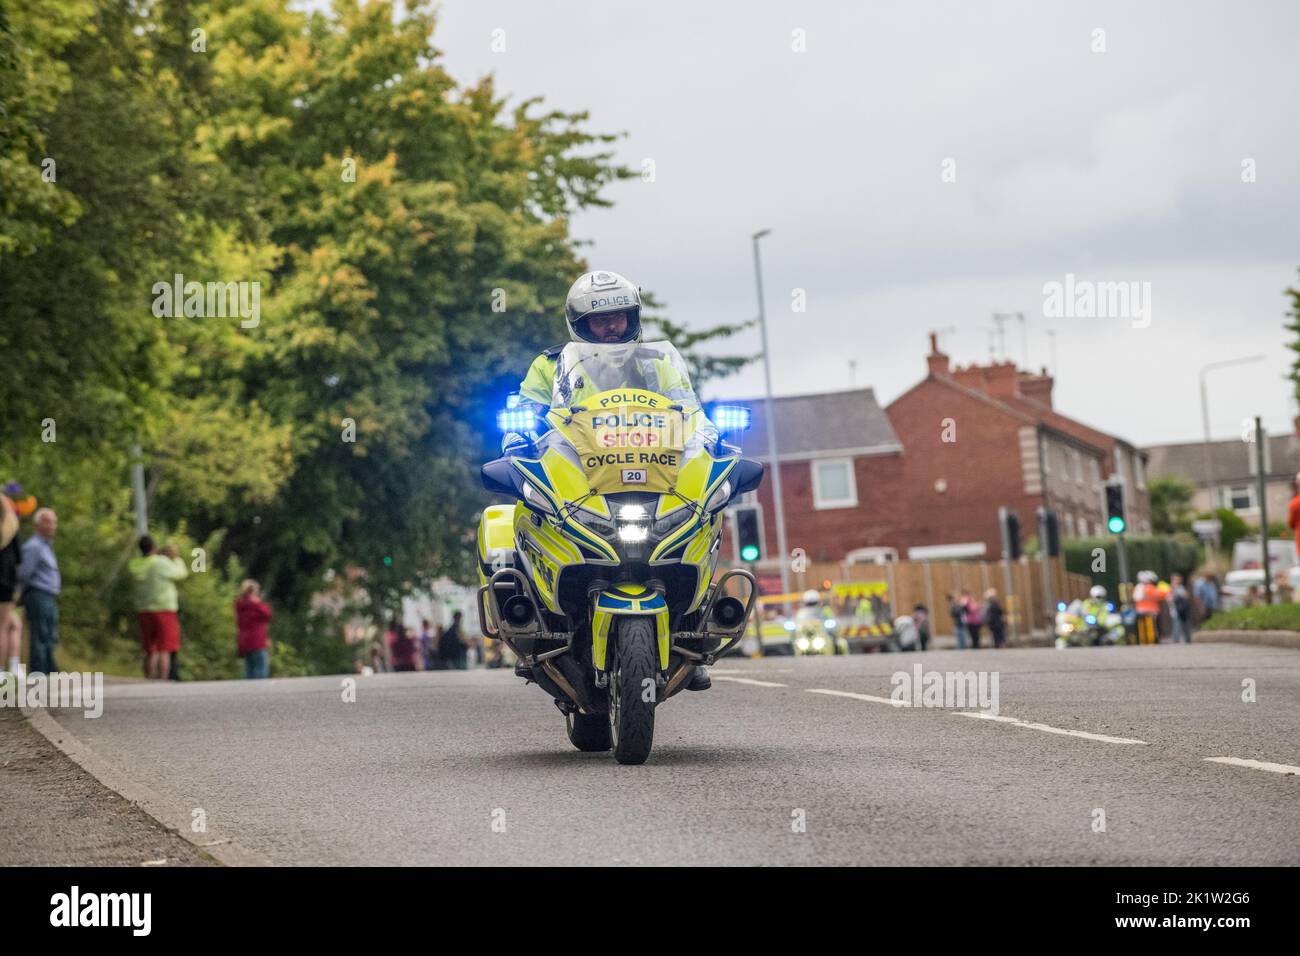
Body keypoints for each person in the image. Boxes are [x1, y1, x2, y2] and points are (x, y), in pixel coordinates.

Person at [508, 270, 711, 691]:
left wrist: (708, 438)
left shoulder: (658, 365)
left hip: (655, 478)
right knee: (516, 516)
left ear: (633, 317)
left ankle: (694, 628)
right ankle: (529, 619)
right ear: (580, 324)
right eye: (601, 320)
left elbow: (690, 411)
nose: (612, 326)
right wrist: (515, 435)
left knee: (705, 510)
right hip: (582, 484)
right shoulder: (550, 365)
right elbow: (524, 411)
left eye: (620, 316)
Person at [128, 535, 189, 679]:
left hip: (143, 609)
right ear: (154, 547)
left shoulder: (135, 564)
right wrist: (176, 558)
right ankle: (162, 680)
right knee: (165, 648)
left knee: (150, 648)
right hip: (164, 608)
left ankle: (148, 677)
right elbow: (180, 574)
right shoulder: (160, 563)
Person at [16, 508, 61, 674]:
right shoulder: (34, 547)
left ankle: (50, 671)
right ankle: (39, 673)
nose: (53, 526)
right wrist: (18, 596)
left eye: (54, 522)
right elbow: (24, 573)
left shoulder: (46, 546)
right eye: (49, 522)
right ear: (38, 524)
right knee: (40, 636)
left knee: (50, 636)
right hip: (38, 595)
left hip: (49, 597)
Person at [0, 492, 23, 679]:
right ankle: (8, 668)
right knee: (7, 624)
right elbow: (19, 558)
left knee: (10, 624)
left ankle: (11, 667)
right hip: (6, 582)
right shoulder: (10, 528)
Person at [234, 579, 273, 678]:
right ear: (253, 591)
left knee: (249, 669)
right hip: (257, 641)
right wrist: (258, 602)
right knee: (261, 668)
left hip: (245, 642)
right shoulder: (255, 605)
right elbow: (268, 614)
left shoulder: (240, 605)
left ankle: (248, 691)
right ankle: (260, 691)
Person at [1132, 570, 1161, 644]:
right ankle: (1151, 640)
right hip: (1151, 611)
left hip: (1139, 610)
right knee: (1151, 627)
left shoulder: (1138, 587)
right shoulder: (1150, 587)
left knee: (1142, 627)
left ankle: (1143, 641)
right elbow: (1157, 596)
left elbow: (1135, 598)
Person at [1168, 573, 1192, 644]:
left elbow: (1186, 596)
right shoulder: (1171, 588)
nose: (1178, 580)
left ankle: (1187, 638)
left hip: (1183, 608)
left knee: (1185, 624)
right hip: (1175, 609)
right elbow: (1170, 598)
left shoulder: (1181, 587)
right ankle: (1176, 638)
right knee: (1176, 623)